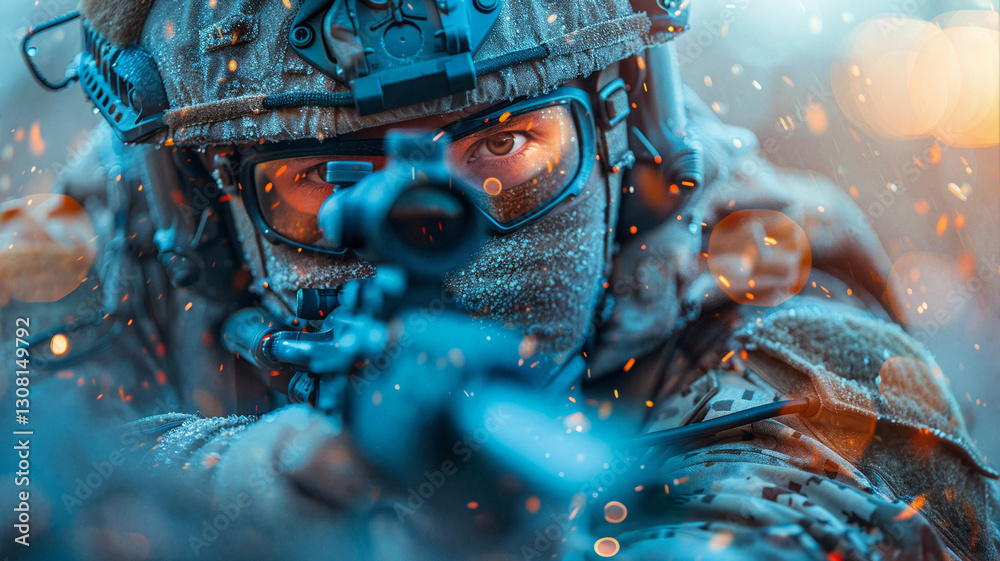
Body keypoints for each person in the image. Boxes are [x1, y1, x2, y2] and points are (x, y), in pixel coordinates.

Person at [11, 0, 997, 560]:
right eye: (323, 175)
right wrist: (239, 486)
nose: (436, 220)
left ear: (631, 143)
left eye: (503, 143)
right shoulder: (92, 263)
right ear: (212, 206)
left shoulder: (775, 299)